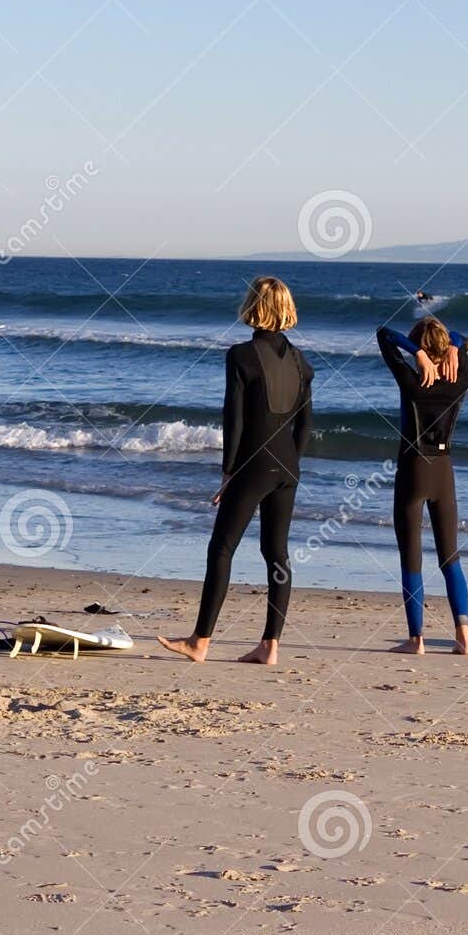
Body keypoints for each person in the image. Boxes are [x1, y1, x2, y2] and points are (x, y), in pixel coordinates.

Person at [158, 276, 313, 666]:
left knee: (222, 548)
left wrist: (229, 471)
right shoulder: (302, 362)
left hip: (254, 464)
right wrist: (291, 463)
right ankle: (270, 646)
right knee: (276, 554)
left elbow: (235, 419)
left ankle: (200, 641)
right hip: (287, 467)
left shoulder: (240, 355)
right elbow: (305, 424)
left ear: (254, 307)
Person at [376, 317, 468, 655]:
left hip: (413, 469)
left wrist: (416, 354)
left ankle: (416, 639)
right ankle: (464, 636)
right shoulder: (460, 379)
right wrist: (455, 345)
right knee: (451, 556)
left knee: (411, 558)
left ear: (419, 344)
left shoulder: (411, 378)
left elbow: (384, 335)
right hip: (443, 472)